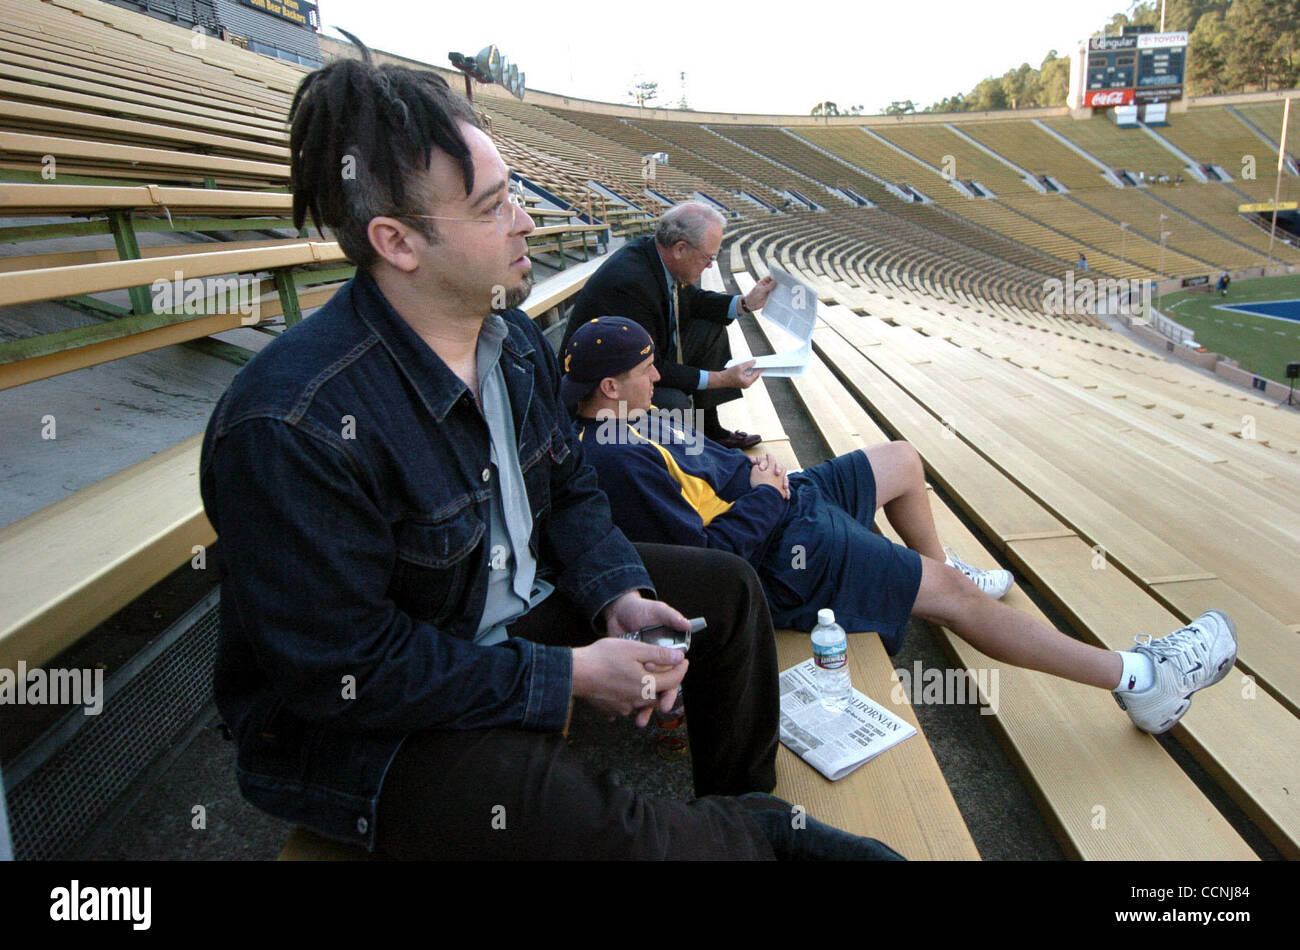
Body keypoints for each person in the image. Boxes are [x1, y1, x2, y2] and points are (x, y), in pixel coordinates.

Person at [199, 46, 902, 861]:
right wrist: (564, 677)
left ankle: (739, 804)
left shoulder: (515, 342)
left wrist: (619, 595)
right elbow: (346, 670)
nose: (526, 222)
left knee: (730, 591)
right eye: (495, 206)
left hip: (507, 616)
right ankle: (759, 842)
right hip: (358, 722)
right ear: (397, 241)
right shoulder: (289, 425)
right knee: (554, 807)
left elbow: (569, 494)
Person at [562, 317, 1239, 736]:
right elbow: (709, 560)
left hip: (784, 504)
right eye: (645, 369)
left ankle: (941, 578)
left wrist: (754, 468)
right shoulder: (614, 461)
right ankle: (1142, 681)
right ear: (611, 388)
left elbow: (706, 480)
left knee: (902, 460)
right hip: (781, 552)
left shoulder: (631, 419)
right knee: (950, 591)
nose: (659, 375)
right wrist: (766, 496)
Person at [562, 201, 778, 450]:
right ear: (680, 248)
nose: (710, 265)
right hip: (603, 391)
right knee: (674, 403)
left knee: (709, 331)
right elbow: (651, 366)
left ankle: (711, 430)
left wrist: (745, 303)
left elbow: (692, 301)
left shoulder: (658, 257)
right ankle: (694, 456)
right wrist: (721, 378)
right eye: (708, 258)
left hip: (638, 364)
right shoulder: (630, 283)